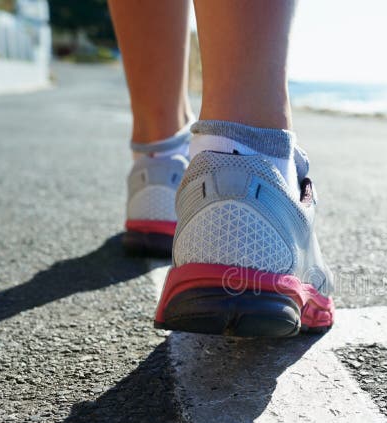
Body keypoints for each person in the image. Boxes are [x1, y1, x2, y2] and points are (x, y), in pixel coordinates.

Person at [107, 0, 334, 338]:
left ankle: (157, 158)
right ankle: (258, 151)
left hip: (196, 205)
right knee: (243, 127)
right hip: (267, 220)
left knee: (163, 133)